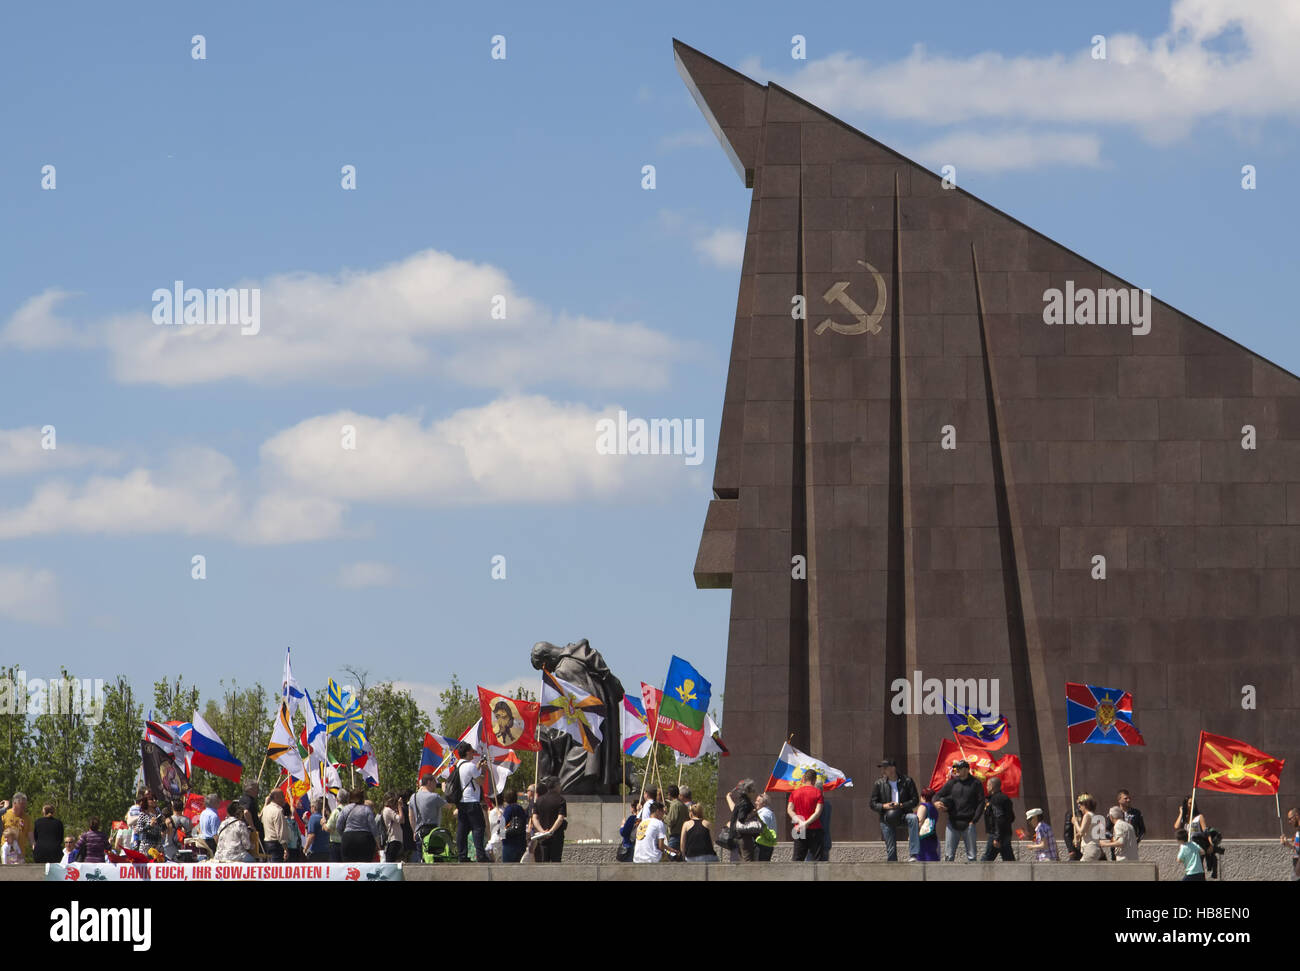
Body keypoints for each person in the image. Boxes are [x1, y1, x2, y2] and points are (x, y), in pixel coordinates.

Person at [870, 759, 920, 862]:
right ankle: (893, 866)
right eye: (882, 768)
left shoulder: (907, 781)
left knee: (913, 818)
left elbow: (915, 800)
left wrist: (901, 805)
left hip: (903, 814)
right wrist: (884, 806)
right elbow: (872, 803)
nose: (883, 770)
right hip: (886, 818)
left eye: (885, 768)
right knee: (891, 852)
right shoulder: (879, 784)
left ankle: (914, 854)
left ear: (893, 768)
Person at [935, 760, 985, 861]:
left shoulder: (976, 783)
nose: (956, 770)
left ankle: (973, 876)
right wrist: (936, 802)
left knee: (972, 856)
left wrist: (974, 820)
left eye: (959, 768)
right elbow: (938, 795)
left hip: (969, 823)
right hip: (952, 823)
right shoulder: (952, 782)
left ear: (967, 769)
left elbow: (981, 803)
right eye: (955, 768)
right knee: (949, 856)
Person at [450, 743, 489, 863]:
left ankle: (462, 855)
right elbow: (480, 781)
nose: (473, 753)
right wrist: (483, 770)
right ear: (467, 752)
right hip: (472, 801)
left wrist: (477, 767)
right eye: (472, 751)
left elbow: (468, 777)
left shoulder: (459, 765)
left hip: (462, 802)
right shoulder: (470, 766)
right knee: (478, 828)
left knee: (462, 829)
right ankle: (481, 855)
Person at [787, 769, 825, 862]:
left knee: (797, 859)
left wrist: (800, 822)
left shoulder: (794, 793)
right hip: (815, 829)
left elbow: (789, 809)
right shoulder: (818, 792)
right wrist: (806, 823)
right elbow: (818, 812)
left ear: (804, 779)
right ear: (814, 780)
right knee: (817, 859)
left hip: (799, 829)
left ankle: (796, 877)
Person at [337, 788, 382, 863]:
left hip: (348, 839)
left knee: (348, 866)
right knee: (365, 866)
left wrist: (344, 835)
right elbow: (373, 828)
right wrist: (378, 845)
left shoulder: (345, 809)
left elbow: (338, 826)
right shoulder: (367, 809)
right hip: (364, 840)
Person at [409, 774, 447, 862]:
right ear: (429, 782)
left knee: (421, 858)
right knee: (434, 858)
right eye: (435, 783)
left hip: (419, 832)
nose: (435, 785)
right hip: (432, 831)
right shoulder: (434, 796)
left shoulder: (413, 797)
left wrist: (414, 830)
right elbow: (448, 806)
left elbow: (411, 816)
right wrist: (445, 791)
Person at [531, 776, 567, 862]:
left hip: (542, 837)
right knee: (556, 861)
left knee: (544, 861)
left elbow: (534, 818)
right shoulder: (561, 800)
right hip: (556, 836)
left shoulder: (539, 800)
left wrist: (543, 831)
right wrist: (551, 831)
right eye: (559, 784)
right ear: (556, 785)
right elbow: (560, 818)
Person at [981, 777, 1016, 862]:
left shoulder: (995, 799)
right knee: (1009, 860)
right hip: (1006, 834)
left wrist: (997, 838)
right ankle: (1015, 874)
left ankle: (979, 875)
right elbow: (1012, 817)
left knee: (986, 860)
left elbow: (999, 818)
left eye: (988, 785)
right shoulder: (1005, 798)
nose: (987, 787)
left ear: (992, 786)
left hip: (996, 835)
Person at [725, 779, 760, 862]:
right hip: (744, 837)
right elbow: (741, 818)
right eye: (752, 789)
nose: (754, 792)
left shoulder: (741, 802)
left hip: (739, 836)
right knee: (748, 862)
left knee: (743, 861)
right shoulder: (745, 803)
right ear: (747, 791)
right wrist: (753, 813)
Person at [133, 791, 169, 860]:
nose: (155, 800)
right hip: (147, 847)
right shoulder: (143, 814)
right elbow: (138, 830)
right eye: (152, 799)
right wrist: (149, 825)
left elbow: (163, 829)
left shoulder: (159, 814)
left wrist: (164, 824)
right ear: (146, 801)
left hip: (158, 846)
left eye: (155, 798)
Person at [500, 789, 528, 863]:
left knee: (508, 868)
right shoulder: (521, 809)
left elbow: (503, 823)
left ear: (505, 799)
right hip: (521, 843)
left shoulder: (508, 809)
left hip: (509, 843)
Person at [1, 793, 31, 862]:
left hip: (19, 855)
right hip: (6, 853)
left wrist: (34, 846)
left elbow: (30, 835)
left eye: (25, 804)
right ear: (14, 803)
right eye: (22, 804)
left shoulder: (27, 818)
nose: (24, 806)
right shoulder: (5, 814)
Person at [261, 790, 288, 863]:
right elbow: (280, 831)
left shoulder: (265, 809)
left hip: (267, 843)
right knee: (277, 870)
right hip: (276, 845)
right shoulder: (278, 811)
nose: (284, 798)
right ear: (276, 797)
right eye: (282, 796)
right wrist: (285, 848)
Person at [1075, 794, 1103, 862]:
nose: (1080, 808)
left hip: (1089, 848)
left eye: (1080, 806)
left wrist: (1075, 822)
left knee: (1084, 871)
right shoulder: (1095, 816)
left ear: (1085, 805)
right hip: (1095, 847)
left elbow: (1081, 831)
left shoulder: (1087, 816)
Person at [915, 788, 940, 862]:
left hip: (923, 837)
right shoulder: (934, 808)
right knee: (932, 856)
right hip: (932, 835)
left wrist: (913, 835)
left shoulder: (923, 806)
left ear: (923, 797)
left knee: (923, 858)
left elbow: (919, 821)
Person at [665, 786, 689, 860]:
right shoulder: (683, 805)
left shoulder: (675, 805)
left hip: (675, 836)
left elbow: (671, 821)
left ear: (669, 794)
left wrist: (663, 816)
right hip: (683, 835)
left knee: (671, 857)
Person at [754, 793, 778, 862]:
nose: (755, 803)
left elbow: (761, 828)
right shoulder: (768, 812)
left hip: (762, 844)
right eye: (756, 800)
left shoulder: (764, 814)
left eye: (758, 801)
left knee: (760, 868)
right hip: (766, 844)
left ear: (764, 803)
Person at [381, 792, 404, 862]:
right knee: (391, 860)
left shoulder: (389, 810)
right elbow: (401, 819)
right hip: (393, 838)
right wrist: (399, 807)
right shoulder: (388, 810)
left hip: (396, 838)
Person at [325, 793, 347, 862]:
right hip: (347, 843)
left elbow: (328, 828)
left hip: (336, 844)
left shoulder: (336, 812)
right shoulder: (350, 810)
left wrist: (323, 824)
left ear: (337, 799)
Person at [1281, 807, 1299, 881]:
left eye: (1290, 819)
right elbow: (1297, 849)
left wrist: (1297, 871)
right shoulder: (1298, 832)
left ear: (1296, 816)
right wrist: (1287, 844)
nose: (1289, 822)